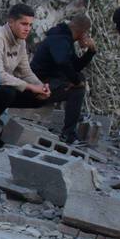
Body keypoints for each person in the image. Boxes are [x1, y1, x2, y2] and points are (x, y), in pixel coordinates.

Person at [29, 14, 97, 143]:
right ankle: (69, 133)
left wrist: (90, 52)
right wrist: (76, 82)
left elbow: (75, 67)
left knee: (79, 81)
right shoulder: (60, 39)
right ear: (83, 32)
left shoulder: (65, 39)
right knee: (77, 89)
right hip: (38, 85)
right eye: (86, 33)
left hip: (49, 82)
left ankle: (69, 132)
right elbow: (62, 62)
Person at [0, 4, 52, 116]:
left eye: (30, 25)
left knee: (39, 98)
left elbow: (25, 72)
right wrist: (30, 86)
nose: (27, 29)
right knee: (8, 92)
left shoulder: (21, 41)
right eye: (24, 24)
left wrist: (41, 87)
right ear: (11, 22)